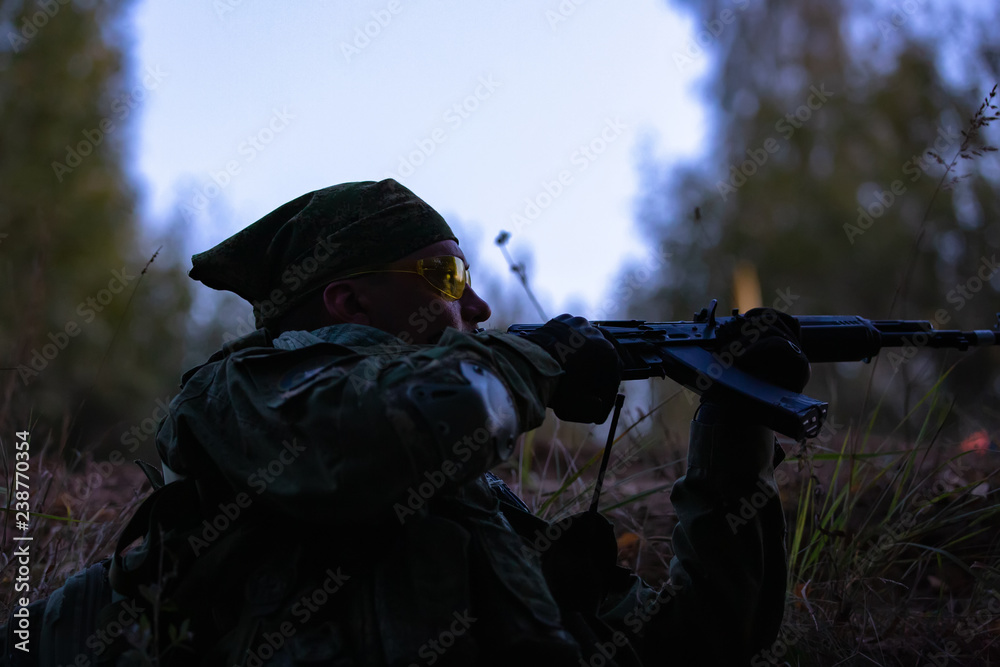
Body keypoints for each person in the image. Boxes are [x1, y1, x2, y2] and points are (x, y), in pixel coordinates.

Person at [1, 179, 809, 666]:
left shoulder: (481, 515)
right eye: (447, 275)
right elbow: (378, 435)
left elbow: (702, 644)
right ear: (348, 299)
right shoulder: (246, 392)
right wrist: (539, 360)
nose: (478, 304)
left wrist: (733, 424)